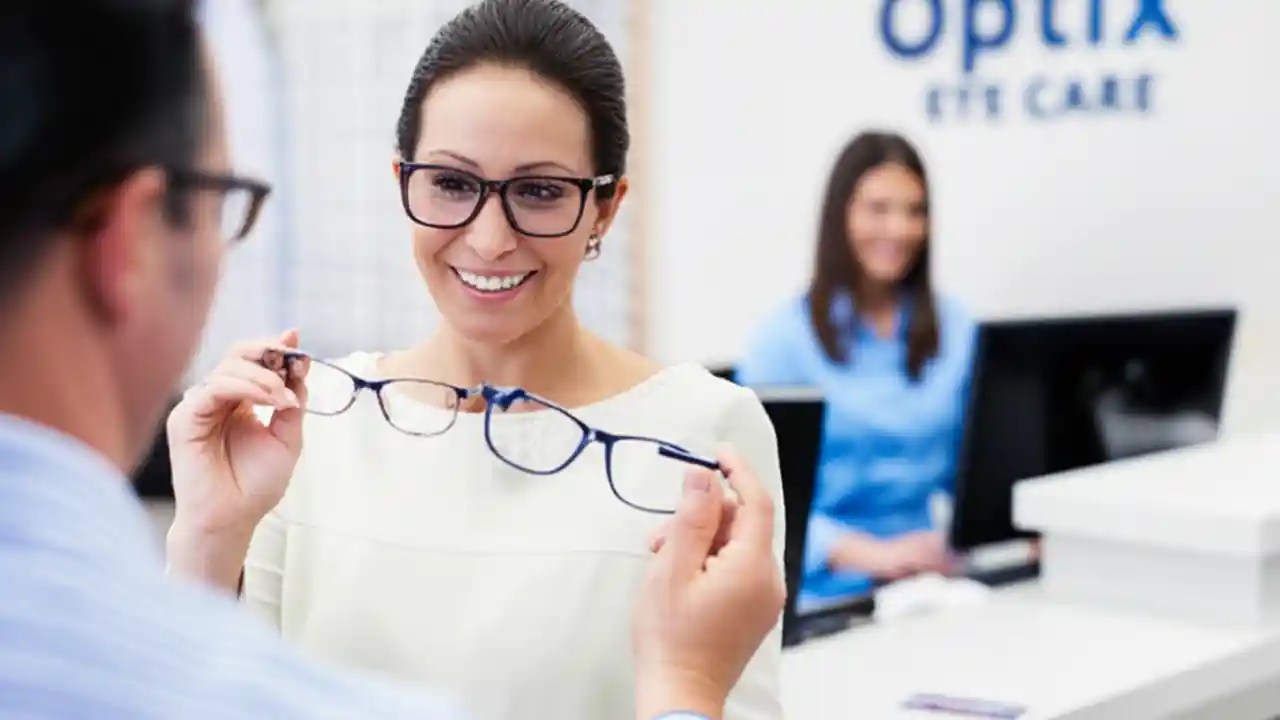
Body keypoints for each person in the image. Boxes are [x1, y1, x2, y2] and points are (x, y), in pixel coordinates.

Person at [0, 2, 784, 719]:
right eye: (451, 184)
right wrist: (207, 537)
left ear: (605, 208)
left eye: (540, 192)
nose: (489, 238)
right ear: (402, 181)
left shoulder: (701, 432)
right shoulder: (307, 427)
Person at [736, 131, 976, 611]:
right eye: (879, 208)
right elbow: (752, 494)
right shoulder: (783, 340)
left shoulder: (956, 329)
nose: (901, 229)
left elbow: (976, 471)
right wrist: (874, 555)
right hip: (825, 593)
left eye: (915, 211)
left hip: (931, 586)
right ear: (840, 214)